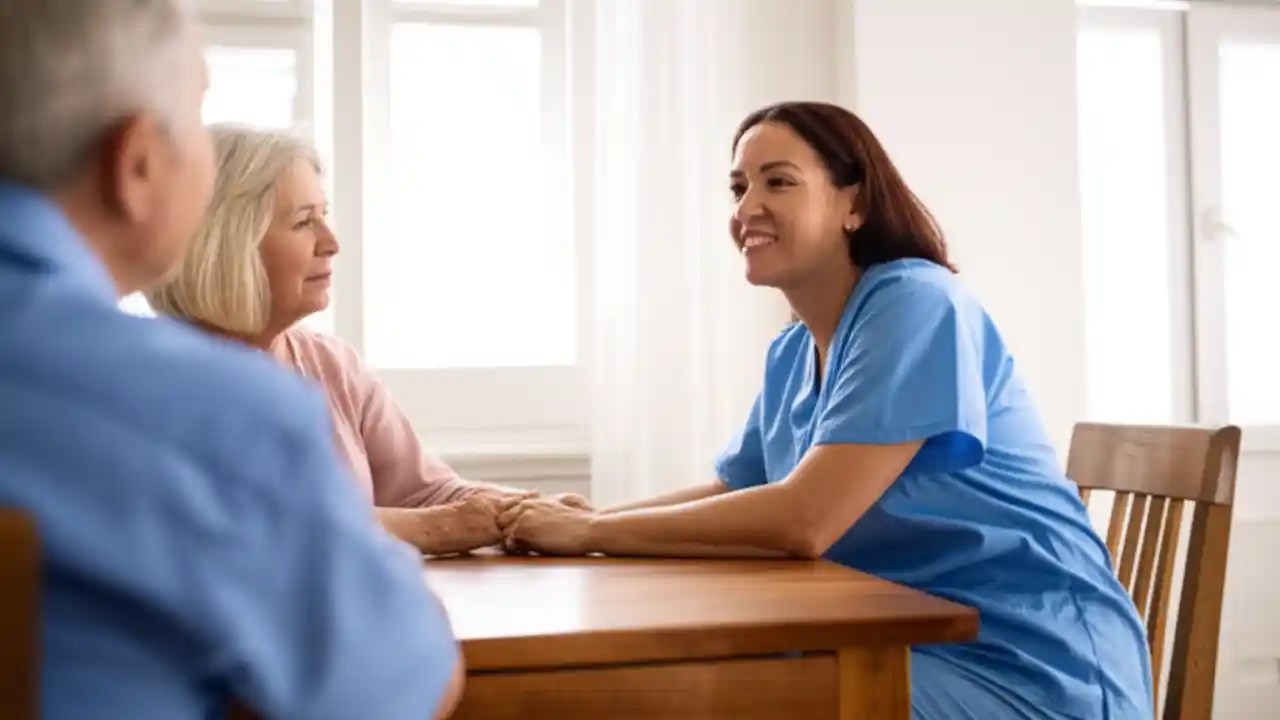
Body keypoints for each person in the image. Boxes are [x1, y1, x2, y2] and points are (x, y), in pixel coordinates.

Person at [500, 101, 1153, 718]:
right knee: (682, 677)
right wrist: (592, 519)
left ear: (855, 203)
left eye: (778, 182)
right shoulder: (793, 350)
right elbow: (737, 491)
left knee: (700, 696)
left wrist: (590, 537)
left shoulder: (916, 304)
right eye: (738, 188)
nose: (747, 208)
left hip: (1029, 664)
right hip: (899, 641)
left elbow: (802, 519)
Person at [0, 1, 462, 717]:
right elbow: (397, 688)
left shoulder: (311, 370)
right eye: (198, 118)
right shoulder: (209, 417)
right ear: (137, 162)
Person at [145, 124, 585, 555]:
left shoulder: (330, 363)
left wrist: (530, 511)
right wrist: (438, 528)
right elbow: (264, 522)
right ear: (229, 244)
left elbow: (423, 493)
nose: (331, 242)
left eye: (324, 215)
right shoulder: (152, 380)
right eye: (303, 222)